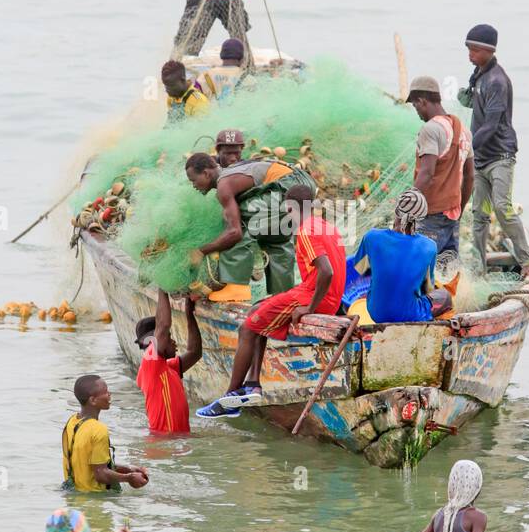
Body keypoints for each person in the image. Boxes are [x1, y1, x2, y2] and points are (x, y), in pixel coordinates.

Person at [197, 181, 347, 417]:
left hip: (314, 296)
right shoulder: (327, 226)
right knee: (259, 308)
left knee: (247, 328)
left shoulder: (306, 230)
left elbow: (326, 271)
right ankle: (252, 383)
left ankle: (231, 397)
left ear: (290, 208)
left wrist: (311, 307)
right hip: (327, 296)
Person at [185, 151, 315, 304]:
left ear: (206, 173)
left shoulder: (224, 185)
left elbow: (235, 233)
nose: (193, 186)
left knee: (237, 219)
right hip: (303, 186)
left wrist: (201, 251)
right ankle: (283, 295)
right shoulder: (231, 173)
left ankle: (236, 287)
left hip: (289, 186)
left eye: (193, 180)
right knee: (276, 237)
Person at [457, 25, 529, 277]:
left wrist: (467, 147)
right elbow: (472, 104)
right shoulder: (479, 75)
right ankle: (478, 269)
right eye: (468, 49)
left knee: (502, 207)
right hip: (481, 158)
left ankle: (527, 263)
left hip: (500, 156)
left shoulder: (497, 81)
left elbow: (491, 125)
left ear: (489, 51)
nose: (469, 54)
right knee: (480, 214)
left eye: (474, 50)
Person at [348, 189, 451, 325]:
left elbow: (361, 270)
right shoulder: (429, 246)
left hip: (376, 312)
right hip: (408, 315)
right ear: (421, 218)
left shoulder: (372, 237)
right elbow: (425, 290)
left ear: (396, 210)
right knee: (445, 296)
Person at [406, 75, 474, 259]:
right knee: (447, 275)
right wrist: (459, 209)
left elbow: (426, 174)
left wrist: (406, 210)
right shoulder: (464, 132)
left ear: (422, 101)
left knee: (419, 271)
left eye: (415, 106)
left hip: (430, 216)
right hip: (452, 216)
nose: (417, 111)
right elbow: (470, 177)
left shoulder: (431, 129)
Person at [62, 375, 149, 493]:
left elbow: (89, 465)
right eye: (105, 391)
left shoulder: (72, 422)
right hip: (94, 502)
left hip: (73, 497)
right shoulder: (98, 429)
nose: (109, 394)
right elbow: (100, 474)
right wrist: (129, 478)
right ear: (93, 400)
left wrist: (128, 469)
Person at [134, 293, 201, 435]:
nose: (173, 341)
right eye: (169, 337)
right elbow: (163, 325)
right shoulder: (150, 363)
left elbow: (195, 352)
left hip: (178, 440)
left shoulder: (167, 368)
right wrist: (163, 287)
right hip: (166, 443)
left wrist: (189, 314)